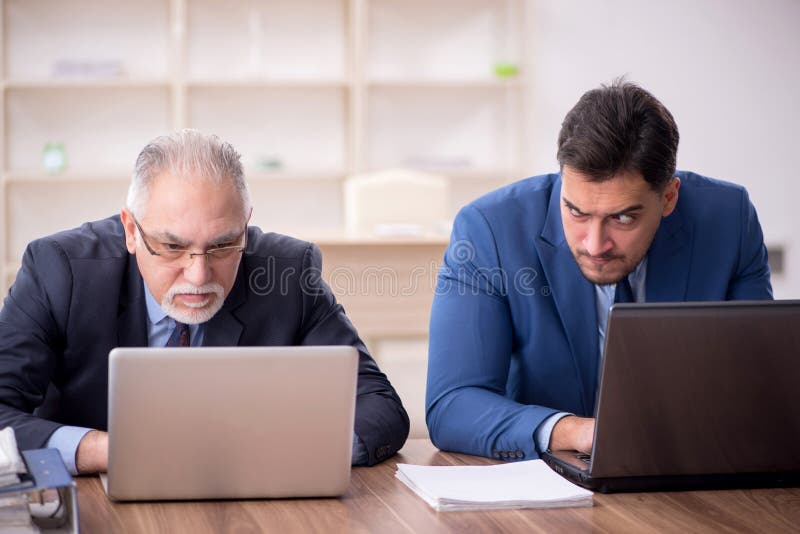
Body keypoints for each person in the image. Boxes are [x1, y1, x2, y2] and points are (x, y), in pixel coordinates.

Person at [0, 129, 409, 474]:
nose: (198, 275)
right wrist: (118, 452)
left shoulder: (289, 273)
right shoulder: (61, 270)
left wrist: (274, 452)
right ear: (130, 230)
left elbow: (379, 407)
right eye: (172, 246)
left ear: (245, 227)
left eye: (223, 245)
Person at [426, 80, 772, 461]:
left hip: (688, 474)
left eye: (623, 217)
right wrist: (576, 431)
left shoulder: (728, 221)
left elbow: (757, 390)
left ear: (669, 197)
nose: (594, 244)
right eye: (576, 212)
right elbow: (452, 406)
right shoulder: (489, 229)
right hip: (544, 490)